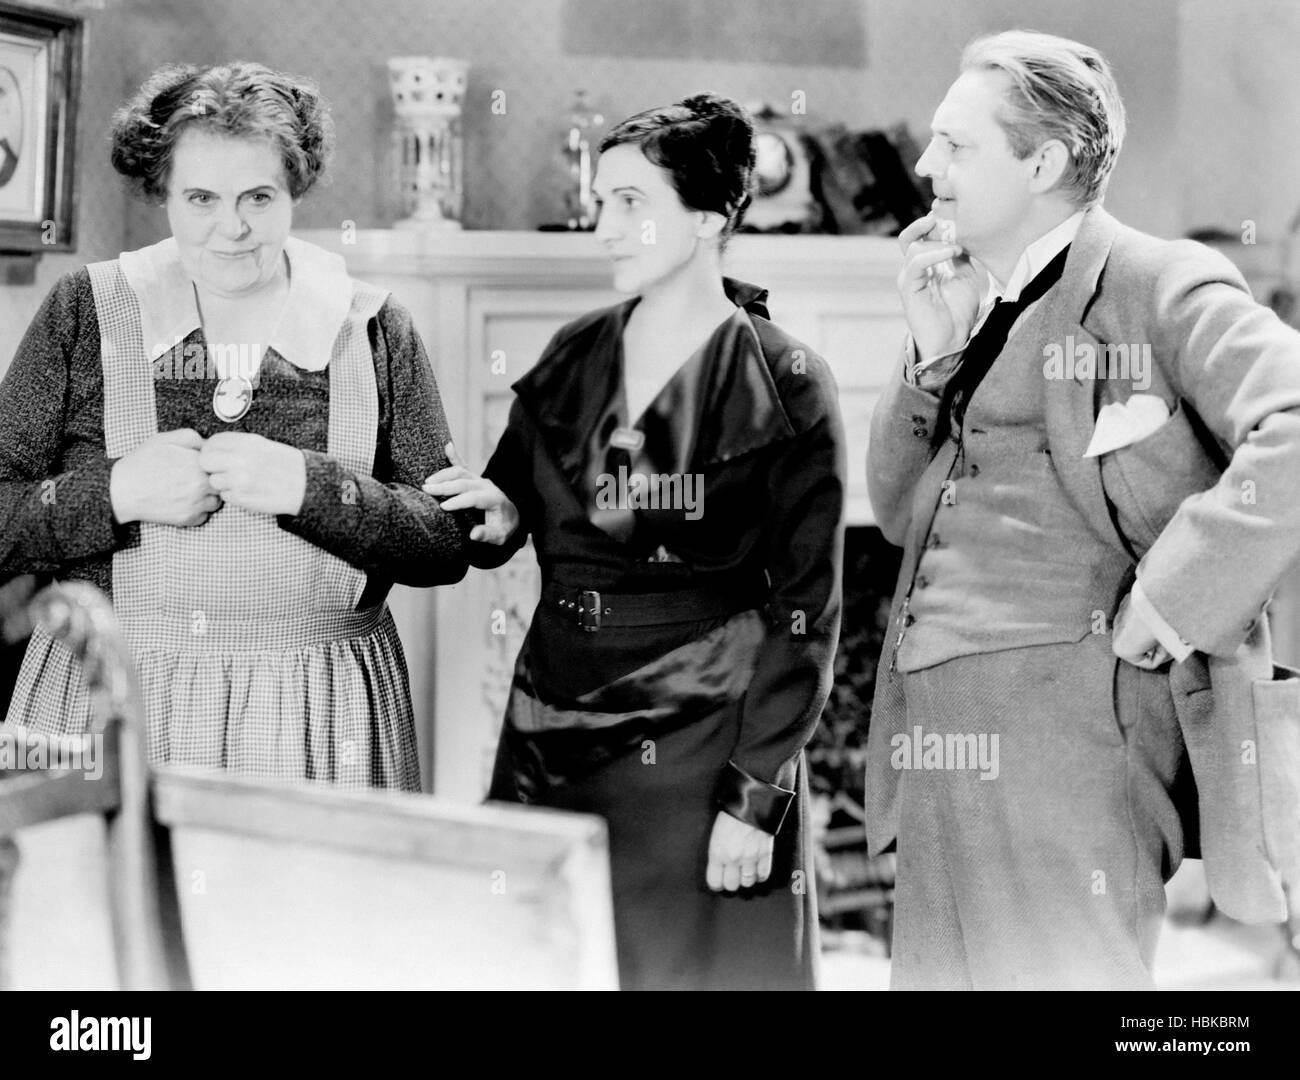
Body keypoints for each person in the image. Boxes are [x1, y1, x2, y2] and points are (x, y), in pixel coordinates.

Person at [865, 29, 1300, 989]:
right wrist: (932, 354)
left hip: (1073, 749)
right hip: (937, 737)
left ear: (1045, 164)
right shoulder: (978, 306)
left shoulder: (1157, 281)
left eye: (956, 143)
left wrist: (1176, 600)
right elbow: (896, 518)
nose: (926, 166)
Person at [424, 94, 845, 990]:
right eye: (599, 202)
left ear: (708, 216)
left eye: (630, 203)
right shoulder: (575, 350)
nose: (604, 227)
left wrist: (755, 794)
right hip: (551, 724)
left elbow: (809, 607)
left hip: (703, 745)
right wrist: (498, 512)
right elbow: (515, 498)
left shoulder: (788, 379)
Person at [0, 62, 469, 789]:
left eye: (259, 196)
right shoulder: (86, 311)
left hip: (325, 712)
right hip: (112, 703)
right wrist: (115, 494)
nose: (233, 227)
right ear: (162, 191)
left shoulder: (372, 326)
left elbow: (445, 543)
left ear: (295, 188)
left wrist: (314, 489)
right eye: (201, 198)